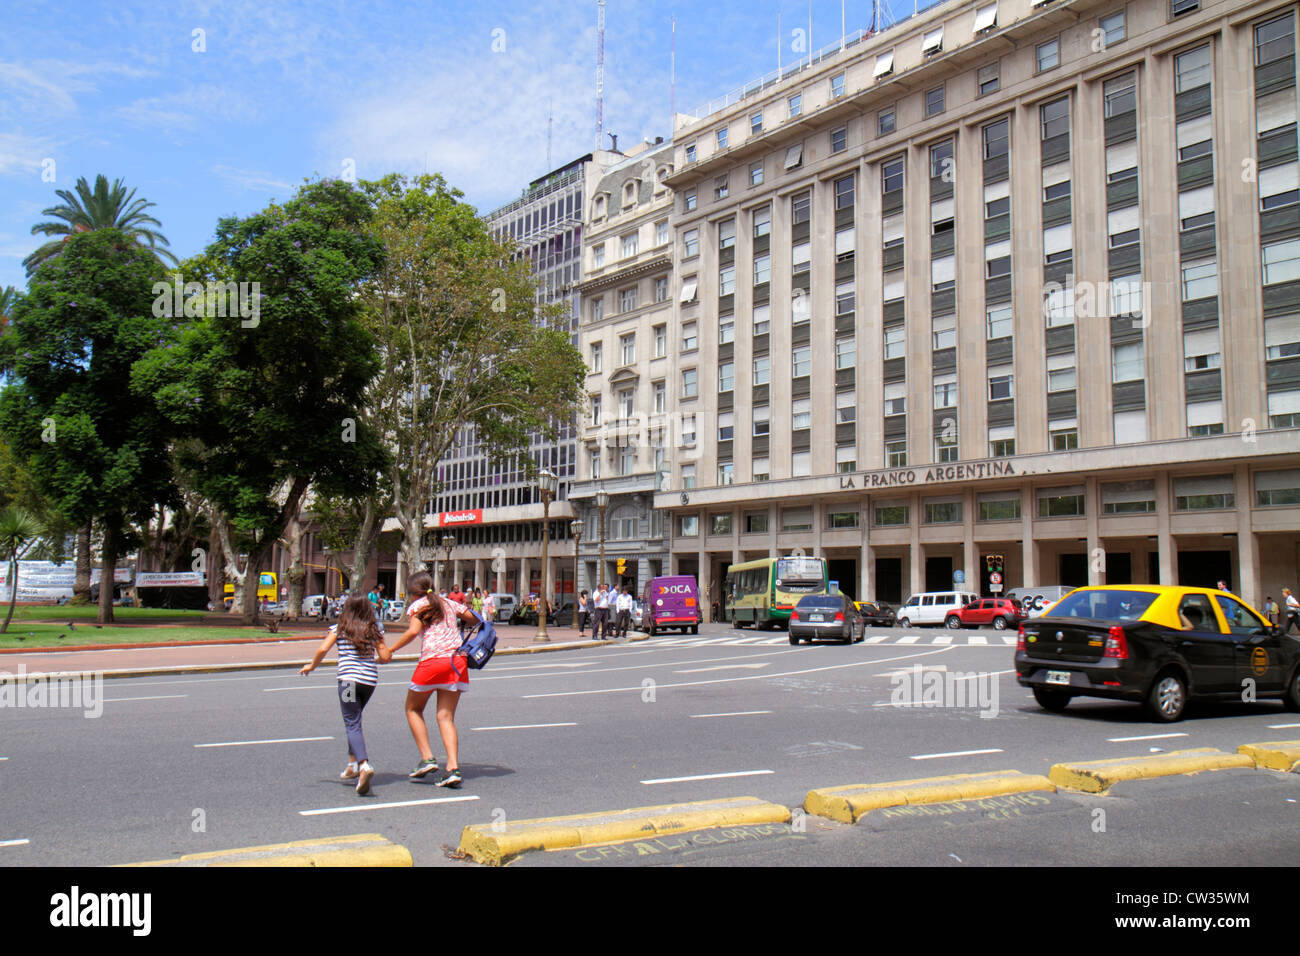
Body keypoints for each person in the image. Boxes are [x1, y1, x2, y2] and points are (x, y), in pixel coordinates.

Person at [384, 570, 479, 788]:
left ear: (412, 593)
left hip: (432, 661)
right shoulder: (447, 602)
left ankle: (427, 758)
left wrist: (391, 650)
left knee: (413, 708)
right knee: (445, 717)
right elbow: (474, 618)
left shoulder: (418, 606)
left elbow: (412, 632)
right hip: (456, 661)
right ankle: (452, 768)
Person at [299, 594, 390, 796]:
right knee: (355, 720)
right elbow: (384, 656)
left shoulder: (340, 628)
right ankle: (352, 765)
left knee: (351, 722)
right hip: (369, 681)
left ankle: (363, 765)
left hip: (348, 681)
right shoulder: (375, 629)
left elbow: (323, 648)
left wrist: (311, 666)